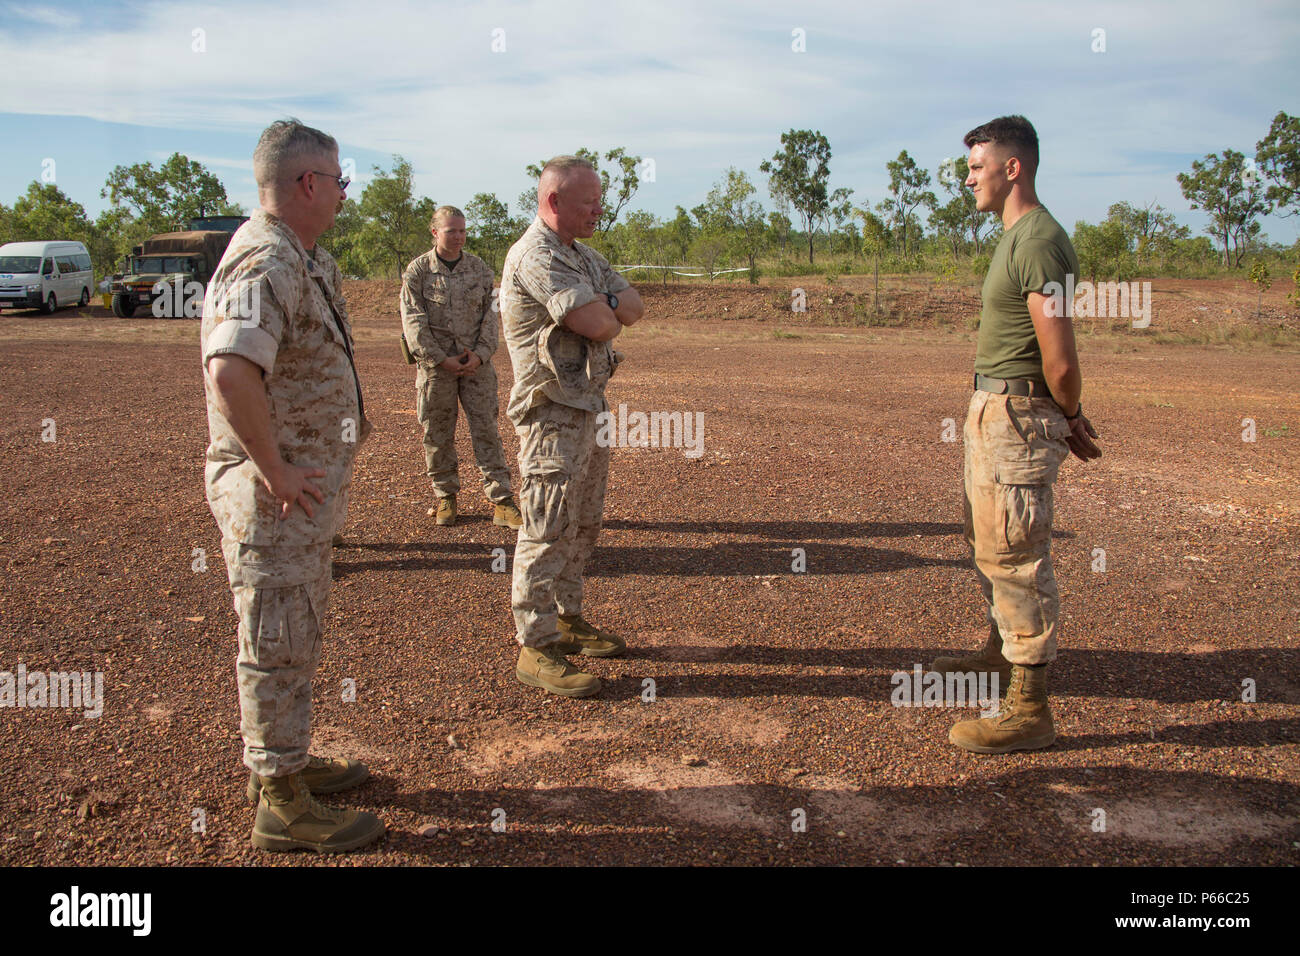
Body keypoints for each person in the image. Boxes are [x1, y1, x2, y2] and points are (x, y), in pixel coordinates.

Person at [201, 119, 384, 852]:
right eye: (339, 180)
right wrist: (274, 468)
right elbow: (230, 369)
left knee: (293, 630)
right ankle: (279, 798)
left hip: (298, 504)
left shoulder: (304, 258)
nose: (344, 192)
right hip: (274, 504)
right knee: (275, 637)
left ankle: (289, 763)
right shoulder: (264, 260)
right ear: (309, 183)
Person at [933, 115, 1102, 754]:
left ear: (1013, 168)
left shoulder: (1038, 241)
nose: (968, 177)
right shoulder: (1014, 236)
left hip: (1021, 416)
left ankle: (1029, 709)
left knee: (1016, 552)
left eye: (977, 166)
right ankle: (1000, 657)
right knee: (986, 539)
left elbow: (1059, 355)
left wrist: (1071, 412)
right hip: (995, 410)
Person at [500, 156, 645, 697]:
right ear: (554, 201)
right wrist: (605, 305)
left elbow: (633, 307)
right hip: (550, 412)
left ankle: (567, 617)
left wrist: (605, 302)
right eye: (589, 201)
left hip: (587, 407)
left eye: (599, 199)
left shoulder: (582, 255)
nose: (599, 209)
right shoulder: (535, 255)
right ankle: (534, 645)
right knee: (545, 525)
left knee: (582, 522)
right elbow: (601, 322)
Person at [400, 206, 522, 529]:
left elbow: (492, 317)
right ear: (435, 233)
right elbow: (414, 323)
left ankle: (501, 500)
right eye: (451, 230)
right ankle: (446, 496)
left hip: (476, 368)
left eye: (463, 231)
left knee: (487, 430)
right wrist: (441, 359)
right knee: (438, 432)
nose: (458, 237)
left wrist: (481, 355)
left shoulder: (480, 270)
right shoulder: (417, 273)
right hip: (436, 369)